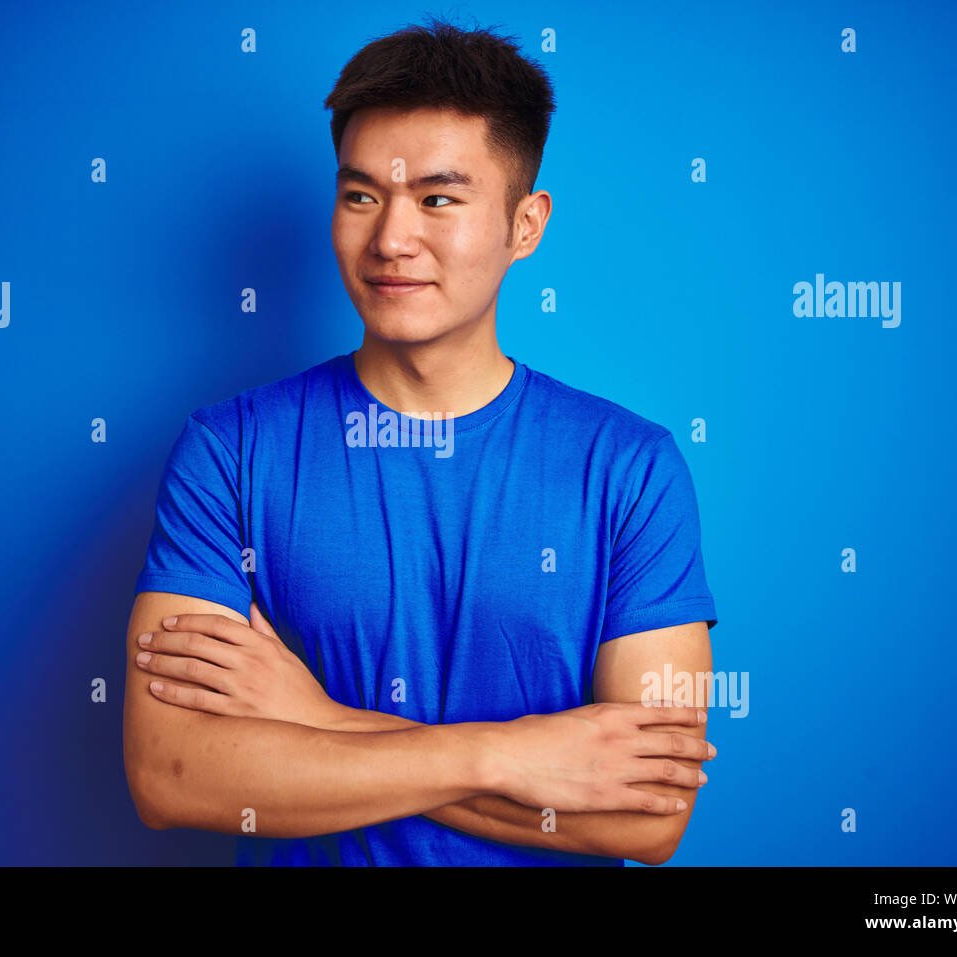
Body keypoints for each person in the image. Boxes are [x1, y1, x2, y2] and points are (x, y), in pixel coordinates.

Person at [121, 17, 719, 866]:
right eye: (362, 195)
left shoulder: (632, 468)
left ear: (525, 224)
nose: (392, 238)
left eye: (438, 198)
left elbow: (648, 818)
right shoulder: (229, 451)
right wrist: (507, 754)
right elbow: (171, 773)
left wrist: (316, 719)